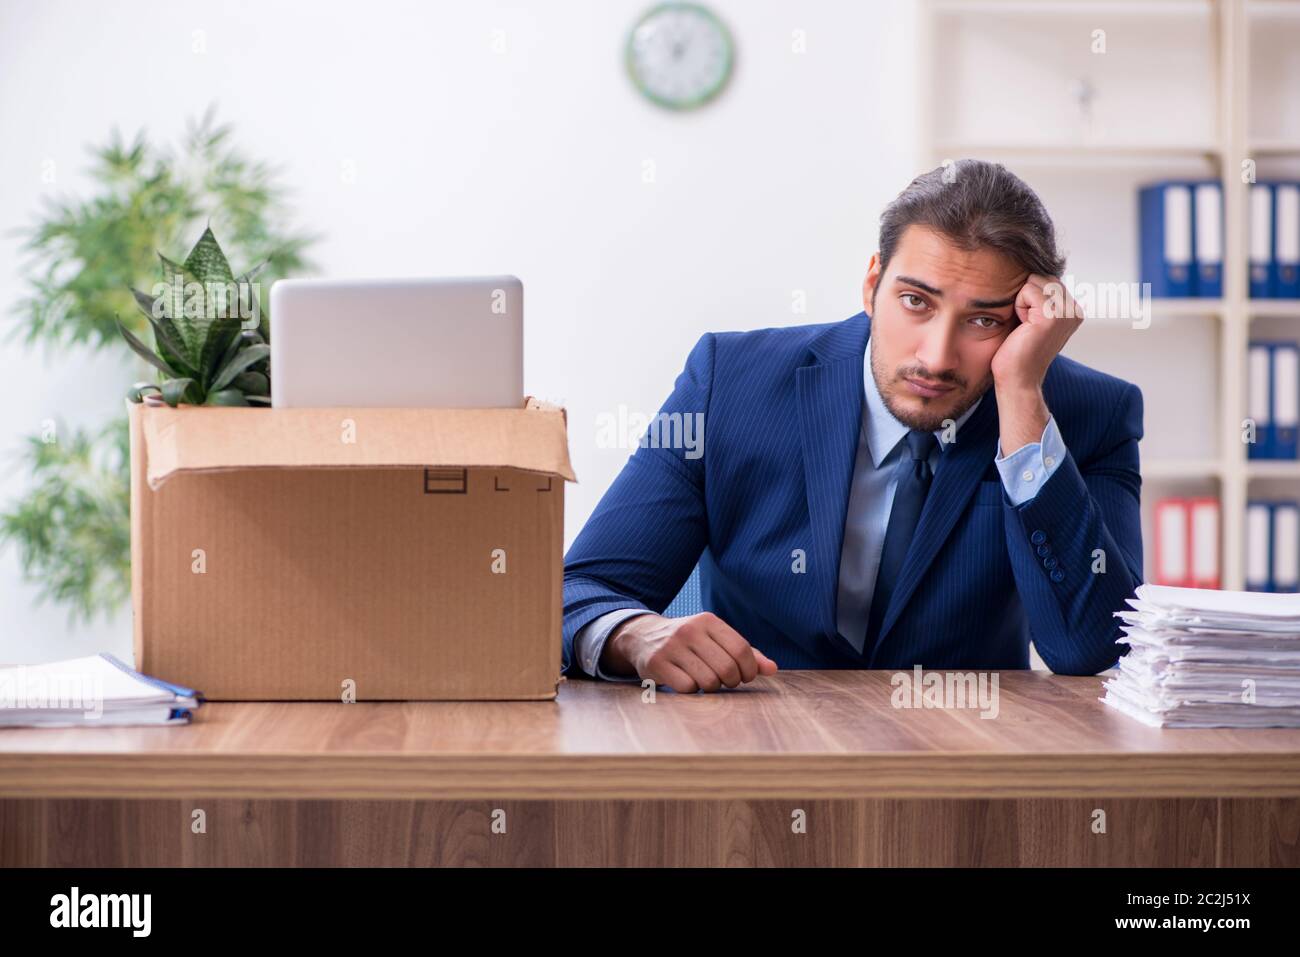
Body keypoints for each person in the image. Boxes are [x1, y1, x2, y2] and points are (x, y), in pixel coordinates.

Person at [563, 159, 1143, 693]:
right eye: (916, 302)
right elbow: (576, 594)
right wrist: (633, 634)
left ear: (1025, 322)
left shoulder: (1087, 414)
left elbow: (1086, 646)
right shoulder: (730, 384)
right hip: (751, 749)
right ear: (872, 286)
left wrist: (1020, 396)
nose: (937, 357)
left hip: (959, 759)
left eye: (983, 320)